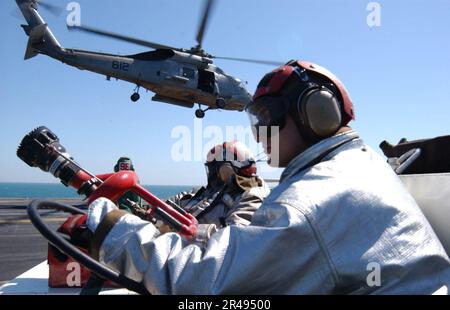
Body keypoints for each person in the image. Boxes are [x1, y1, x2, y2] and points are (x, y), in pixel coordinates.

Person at [85, 60, 450, 294]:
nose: (260, 133)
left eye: (266, 117)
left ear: (316, 113)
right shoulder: (360, 164)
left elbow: (208, 285)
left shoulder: (310, 201)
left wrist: (113, 230)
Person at [166, 141, 270, 230]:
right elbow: (174, 201)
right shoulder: (207, 191)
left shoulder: (251, 196)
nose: (212, 174)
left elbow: (235, 235)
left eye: (214, 168)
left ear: (227, 168)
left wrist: (196, 230)